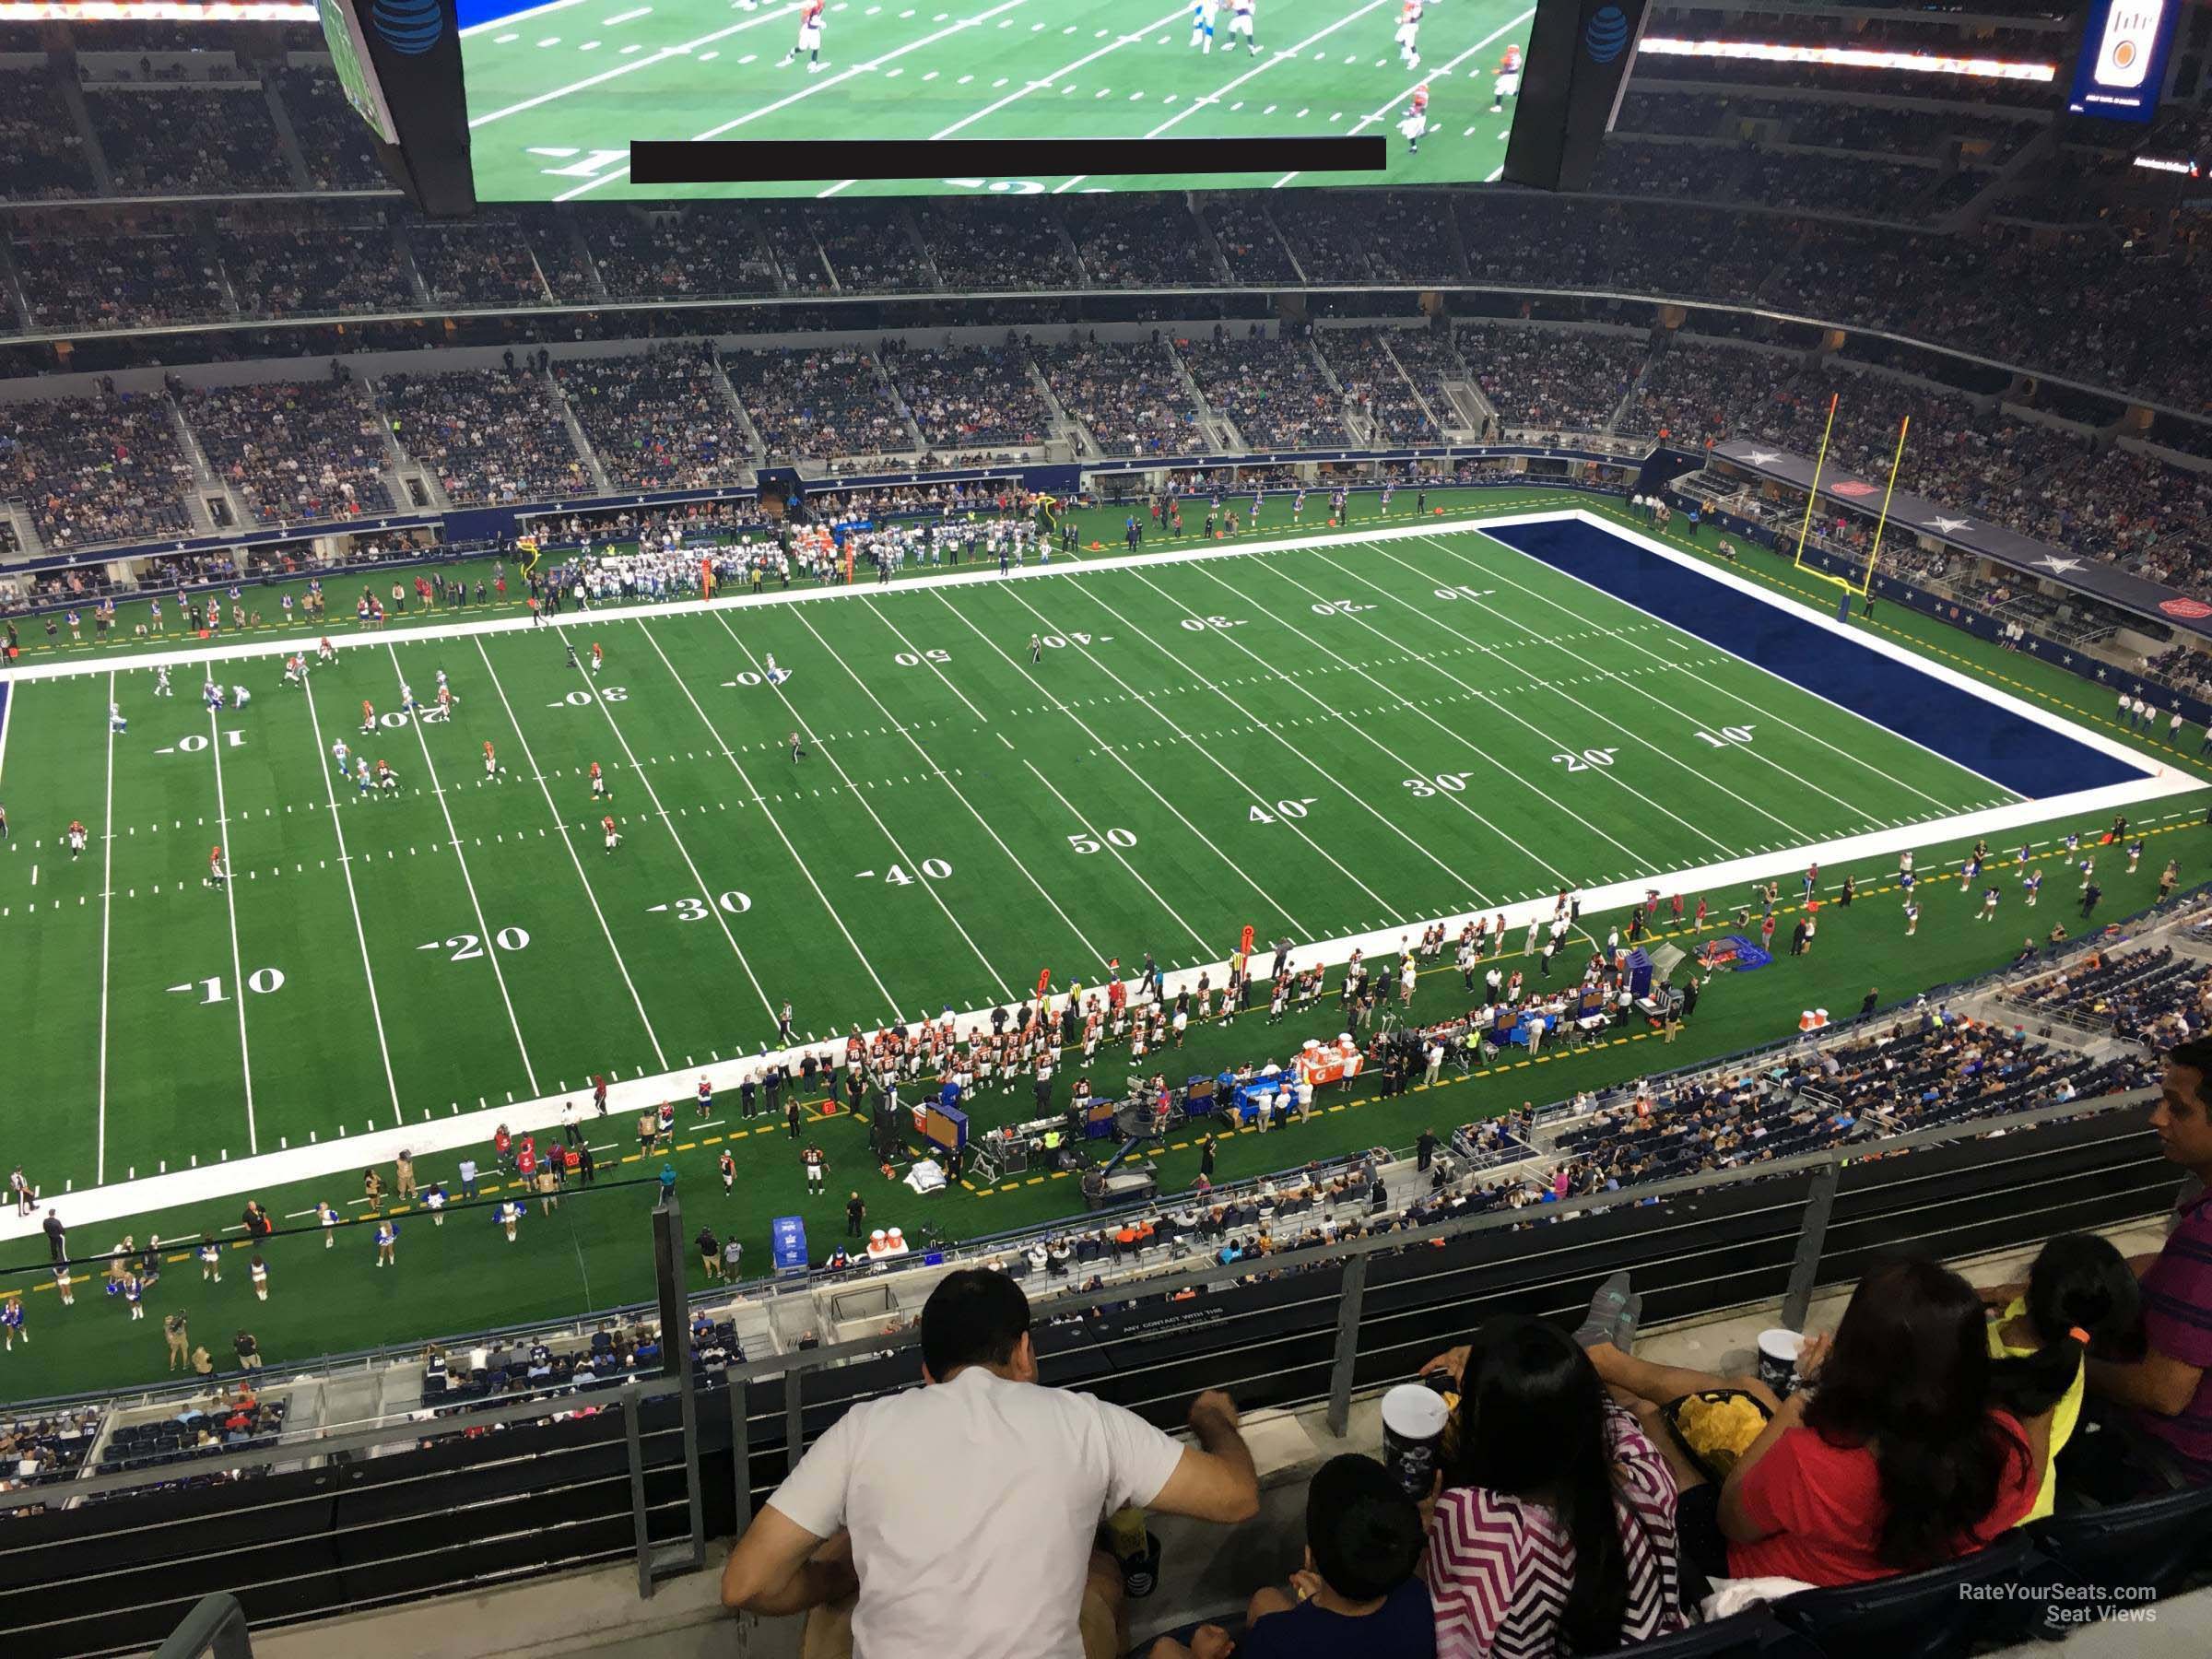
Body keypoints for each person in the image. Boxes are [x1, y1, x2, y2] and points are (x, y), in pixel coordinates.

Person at [722, 1268, 1260, 1659]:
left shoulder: (862, 1430)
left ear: (928, 1373)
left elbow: (745, 1585)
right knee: (1104, 1576)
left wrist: (836, 1576)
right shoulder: (1085, 1421)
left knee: (837, 1583)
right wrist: (1212, 1418)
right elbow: (1236, 1495)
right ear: (1024, 1352)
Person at [1585, 1256, 2046, 1586]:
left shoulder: (1815, 1460)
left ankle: (1606, 1374)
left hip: (1752, 1567)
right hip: (1884, 1577)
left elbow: (1730, 1520)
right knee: (1749, 1390)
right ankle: (1607, 1361)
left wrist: (1805, 1393)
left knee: (1651, 1421)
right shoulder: (2007, 1444)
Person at [1421, 1313, 1685, 1654]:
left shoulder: (1475, 1520)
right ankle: (1602, 1345)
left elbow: (1450, 1638)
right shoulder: (1649, 1480)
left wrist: (1424, 1527)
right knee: (1641, 1407)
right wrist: (1518, 1378)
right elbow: (1608, 1416)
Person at [2074, 1037, 2212, 1488]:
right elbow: (2179, 1268)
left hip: (2175, 1478)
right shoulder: (2196, 1237)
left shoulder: (2205, 1235)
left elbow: (2162, 1391)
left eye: (2178, 1108)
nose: (2157, 1118)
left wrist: (2057, 1360)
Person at [1149, 1455, 1433, 1659]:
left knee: (1165, 1650)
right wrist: (1317, 1603)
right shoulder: (1417, 1598)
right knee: (1266, 1600)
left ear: (1309, 1558)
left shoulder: (1276, 1641)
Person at [1978, 1232, 2139, 1522]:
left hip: (1998, 1522)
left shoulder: (1980, 1348)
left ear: (2031, 1282)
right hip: (2039, 1513)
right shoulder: (2069, 1349)